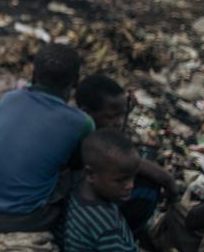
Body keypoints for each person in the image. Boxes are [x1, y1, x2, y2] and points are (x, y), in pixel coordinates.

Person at [0, 44, 92, 232]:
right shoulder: (81, 122)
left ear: (33, 74)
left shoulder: (9, 99)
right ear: (77, 81)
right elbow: (77, 165)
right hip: (21, 219)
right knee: (85, 175)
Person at [75, 75, 177, 235]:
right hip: (85, 209)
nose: (118, 122)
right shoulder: (88, 140)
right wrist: (169, 183)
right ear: (86, 112)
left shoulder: (87, 127)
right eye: (111, 116)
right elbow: (155, 173)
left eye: (122, 115)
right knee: (148, 189)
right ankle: (126, 234)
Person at [61, 129, 142, 252]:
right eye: (121, 180)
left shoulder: (76, 185)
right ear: (90, 174)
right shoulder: (106, 223)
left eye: (133, 177)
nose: (130, 185)